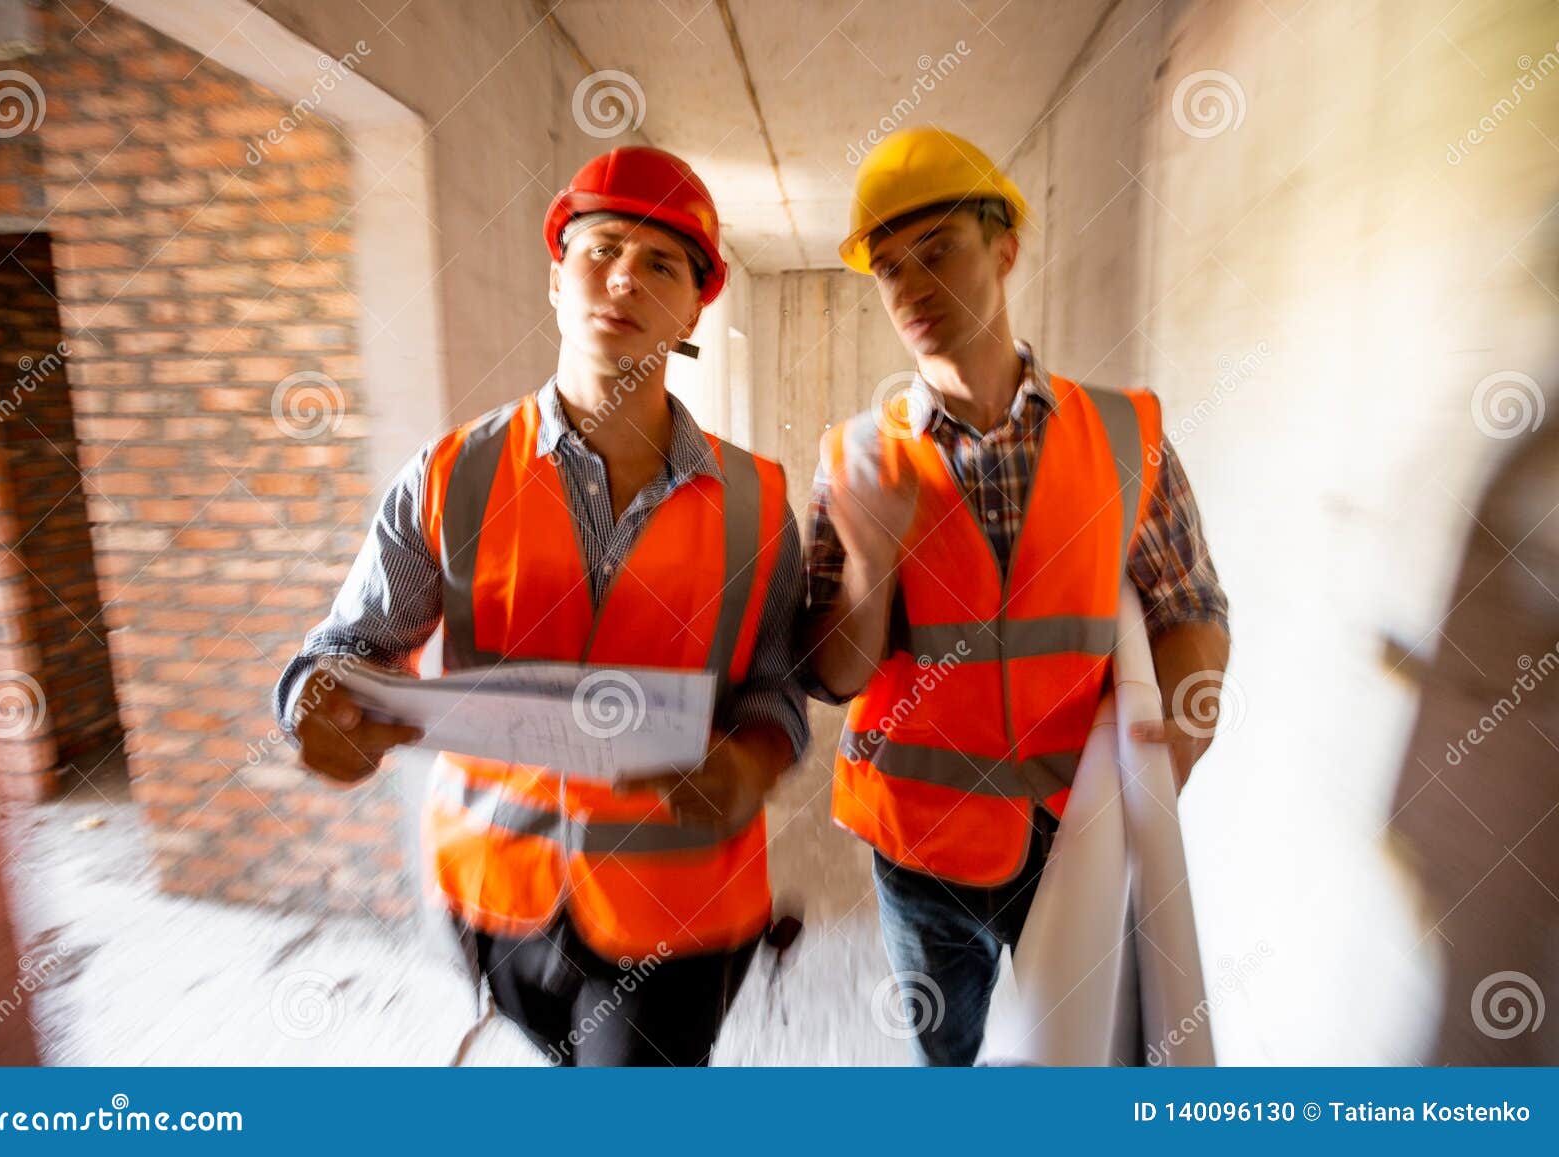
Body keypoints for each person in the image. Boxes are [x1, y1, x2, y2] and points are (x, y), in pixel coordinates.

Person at [274, 146, 807, 1067]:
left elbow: (778, 691)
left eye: (663, 263)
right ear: (556, 279)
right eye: (600, 249)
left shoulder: (758, 504)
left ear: (693, 309)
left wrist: (749, 766)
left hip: (676, 909)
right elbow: (353, 646)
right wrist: (315, 706)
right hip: (495, 895)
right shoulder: (451, 473)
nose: (626, 276)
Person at [804, 126, 1231, 1066]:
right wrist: (872, 558)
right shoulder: (855, 458)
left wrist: (1160, 773)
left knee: (1087, 1064)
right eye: (889, 268)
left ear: (1006, 247)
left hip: (1075, 836)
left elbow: (1189, 607)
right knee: (947, 1064)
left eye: (939, 250)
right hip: (920, 851)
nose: (912, 287)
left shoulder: (1125, 433)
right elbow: (833, 674)